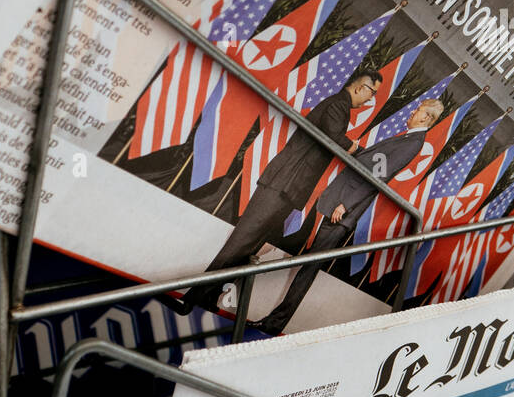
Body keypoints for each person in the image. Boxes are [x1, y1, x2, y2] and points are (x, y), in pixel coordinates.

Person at [178, 70, 382, 316]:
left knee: (247, 247)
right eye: (372, 93)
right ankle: (194, 296)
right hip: (282, 183)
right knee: (240, 243)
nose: (370, 100)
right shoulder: (338, 106)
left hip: (289, 188)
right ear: (360, 87)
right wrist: (355, 147)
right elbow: (334, 139)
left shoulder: (338, 106)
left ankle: (207, 295)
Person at [259, 97, 444, 331]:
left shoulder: (412, 143)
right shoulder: (408, 138)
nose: (411, 112)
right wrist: (358, 150)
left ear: (425, 117)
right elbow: (375, 163)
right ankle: (274, 319)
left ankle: (275, 323)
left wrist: (346, 204)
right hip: (337, 199)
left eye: (416, 110)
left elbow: (377, 176)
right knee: (307, 261)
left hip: (344, 207)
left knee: (309, 267)